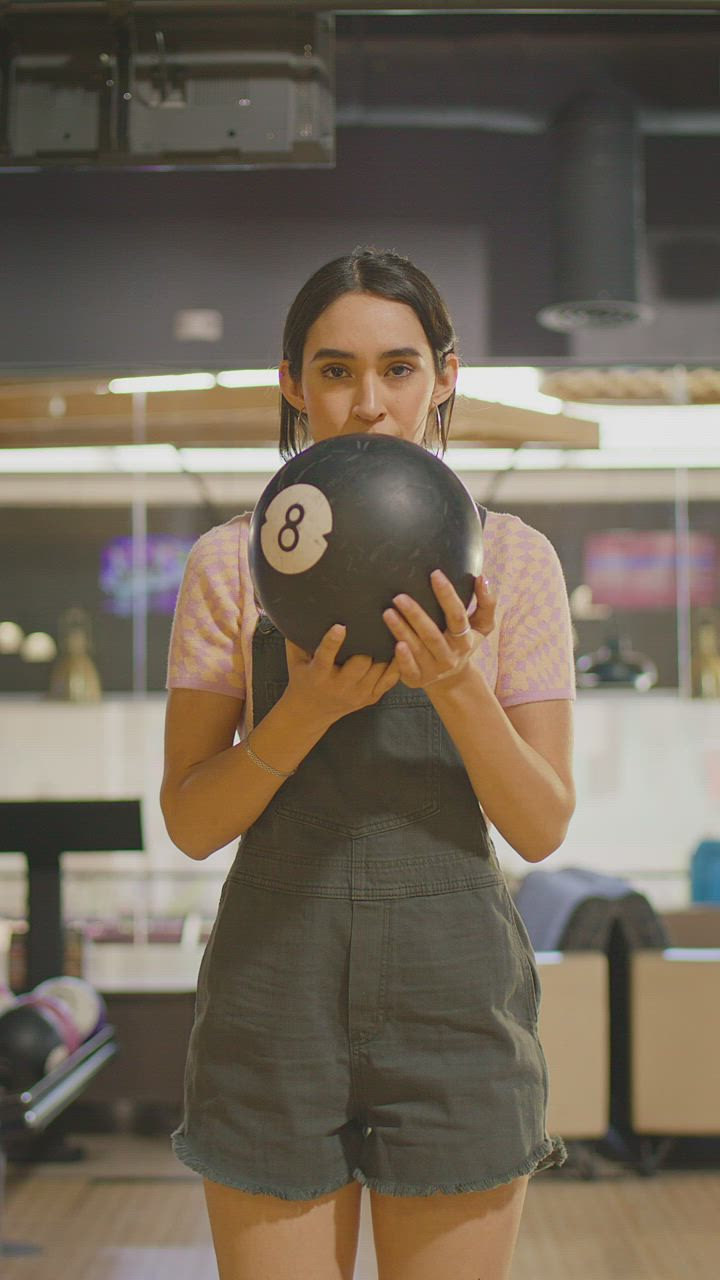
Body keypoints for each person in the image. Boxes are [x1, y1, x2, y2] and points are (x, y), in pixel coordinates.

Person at [161, 247, 576, 1280]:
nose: (369, 401)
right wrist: (302, 711)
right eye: (336, 368)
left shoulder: (515, 561)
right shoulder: (230, 561)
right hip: (273, 985)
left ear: (445, 377)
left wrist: (456, 678)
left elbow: (539, 821)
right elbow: (192, 819)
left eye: (398, 367)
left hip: (456, 992)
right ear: (294, 384)